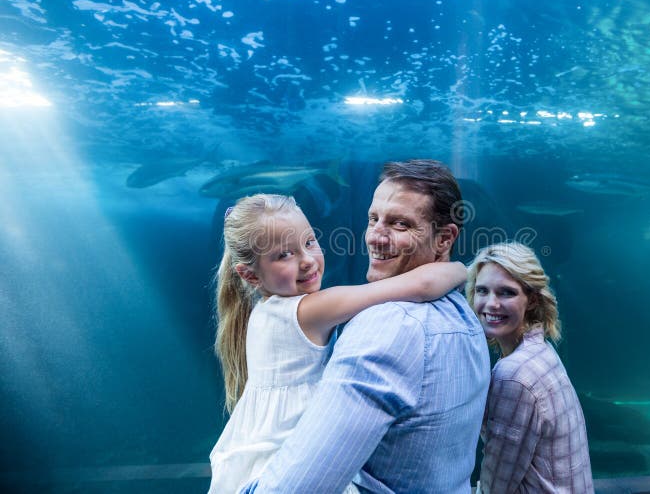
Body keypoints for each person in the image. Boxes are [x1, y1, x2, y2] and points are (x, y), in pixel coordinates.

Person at [240, 160, 491, 493]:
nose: (376, 237)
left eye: (400, 224)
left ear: (444, 239)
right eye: (373, 219)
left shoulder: (387, 328)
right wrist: (460, 269)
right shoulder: (465, 316)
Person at [466, 242, 593, 494]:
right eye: (482, 290)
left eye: (506, 293)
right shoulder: (542, 350)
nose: (491, 304)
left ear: (532, 300)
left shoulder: (514, 374)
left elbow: (495, 487)